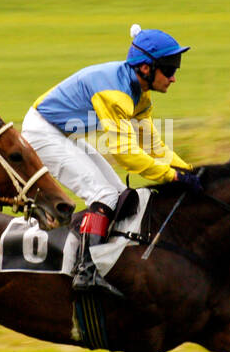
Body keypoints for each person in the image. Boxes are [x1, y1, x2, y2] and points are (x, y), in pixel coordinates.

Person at [23, 24, 197, 296]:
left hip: (63, 131)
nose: (174, 78)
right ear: (146, 68)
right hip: (42, 131)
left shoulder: (140, 93)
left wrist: (188, 171)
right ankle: (85, 272)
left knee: (119, 195)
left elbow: (151, 145)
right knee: (104, 196)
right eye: (170, 69)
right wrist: (171, 176)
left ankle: (107, 262)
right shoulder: (115, 94)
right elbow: (127, 155)